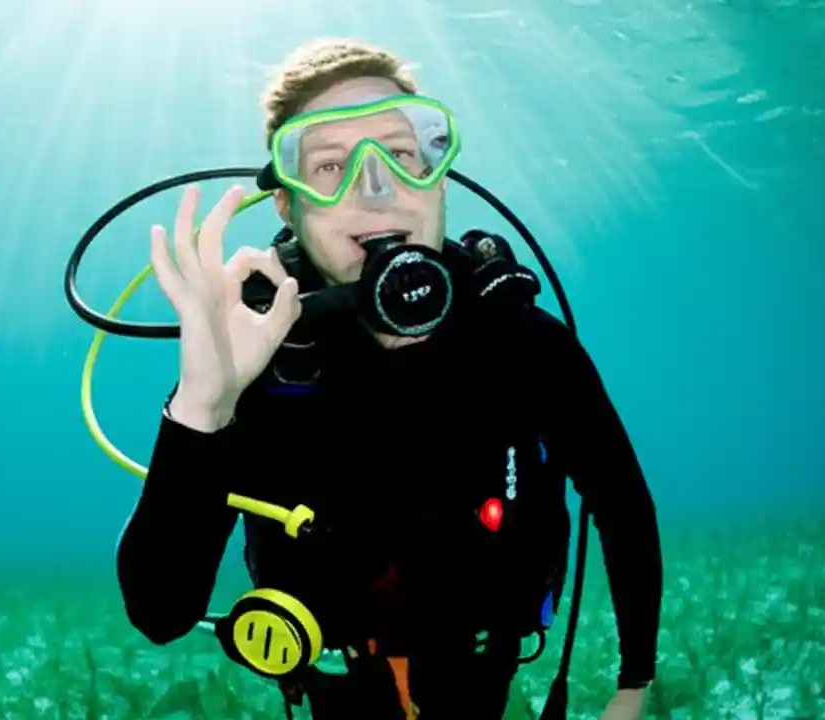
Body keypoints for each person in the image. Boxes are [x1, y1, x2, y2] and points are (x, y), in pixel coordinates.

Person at [113, 37, 663, 720]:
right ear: (288, 208)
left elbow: (622, 503)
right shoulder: (263, 354)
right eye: (329, 165)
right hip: (339, 677)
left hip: (483, 663)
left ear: (440, 177)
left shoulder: (519, 340)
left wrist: (632, 685)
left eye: (402, 155)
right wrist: (205, 405)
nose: (375, 189)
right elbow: (160, 612)